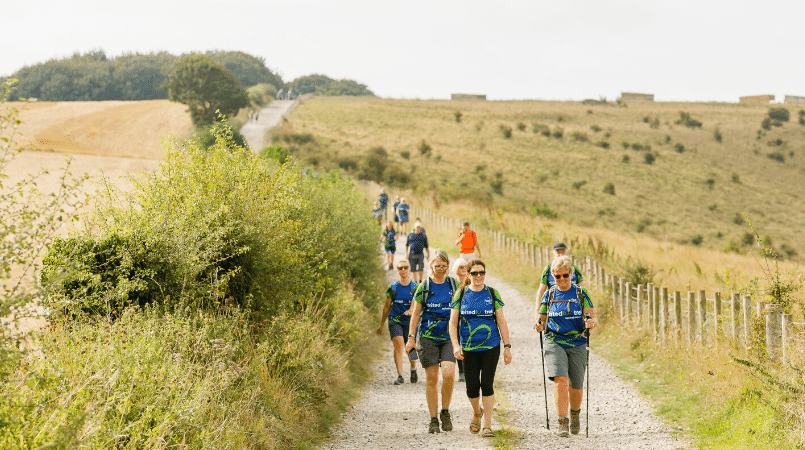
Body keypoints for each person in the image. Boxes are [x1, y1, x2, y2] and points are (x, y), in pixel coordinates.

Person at [534, 255, 598, 437]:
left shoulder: (580, 293)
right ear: (553, 276)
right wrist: (539, 324)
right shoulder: (550, 294)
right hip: (554, 340)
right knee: (561, 379)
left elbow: (593, 317)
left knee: (576, 385)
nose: (561, 280)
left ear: (571, 274)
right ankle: (562, 420)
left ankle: (575, 414)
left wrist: (590, 322)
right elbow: (541, 318)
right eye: (557, 276)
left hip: (578, 341)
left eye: (565, 276)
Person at [449, 259, 512, 437]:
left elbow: (501, 321)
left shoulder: (492, 293)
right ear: (468, 275)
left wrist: (507, 346)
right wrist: (455, 345)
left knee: (487, 384)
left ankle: (487, 425)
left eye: (481, 273)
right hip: (468, 347)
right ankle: (477, 412)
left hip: (491, 345)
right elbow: (453, 323)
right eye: (474, 273)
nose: (478, 276)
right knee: (471, 388)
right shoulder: (460, 294)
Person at [405, 249, 459, 433]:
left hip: (449, 337)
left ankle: (445, 411)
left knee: (449, 374)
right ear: (431, 266)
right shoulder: (424, 286)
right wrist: (411, 338)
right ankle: (433, 419)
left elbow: (462, 310)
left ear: (447, 265)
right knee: (431, 378)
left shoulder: (454, 284)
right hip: (427, 337)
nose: (441, 269)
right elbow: (415, 314)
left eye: (444, 266)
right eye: (437, 266)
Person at [376, 259, 419, 385]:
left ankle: (413, 368)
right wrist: (381, 324)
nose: (403, 270)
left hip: (410, 321)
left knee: (411, 347)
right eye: (400, 268)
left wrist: (411, 309)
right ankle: (400, 375)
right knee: (399, 344)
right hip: (395, 319)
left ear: (409, 269)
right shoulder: (393, 287)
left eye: (405, 267)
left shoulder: (415, 286)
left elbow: (417, 303)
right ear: (397, 270)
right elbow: (386, 307)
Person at [534, 242, 583, 309]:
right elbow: (540, 292)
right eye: (558, 252)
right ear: (553, 254)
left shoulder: (574, 269)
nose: (560, 254)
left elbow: (582, 291)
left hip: (573, 308)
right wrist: (537, 310)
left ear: (567, 253)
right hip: (554, 308)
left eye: (563, 252)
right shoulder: (548, 269)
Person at [451, 257, 469, 382]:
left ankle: (469, 370)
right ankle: (461, 371)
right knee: (458, 344)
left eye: (465, 267)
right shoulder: (453, 284)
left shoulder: (470, 282)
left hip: (467, 317)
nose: (463, 269)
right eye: (460, 267)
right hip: (455, 317)